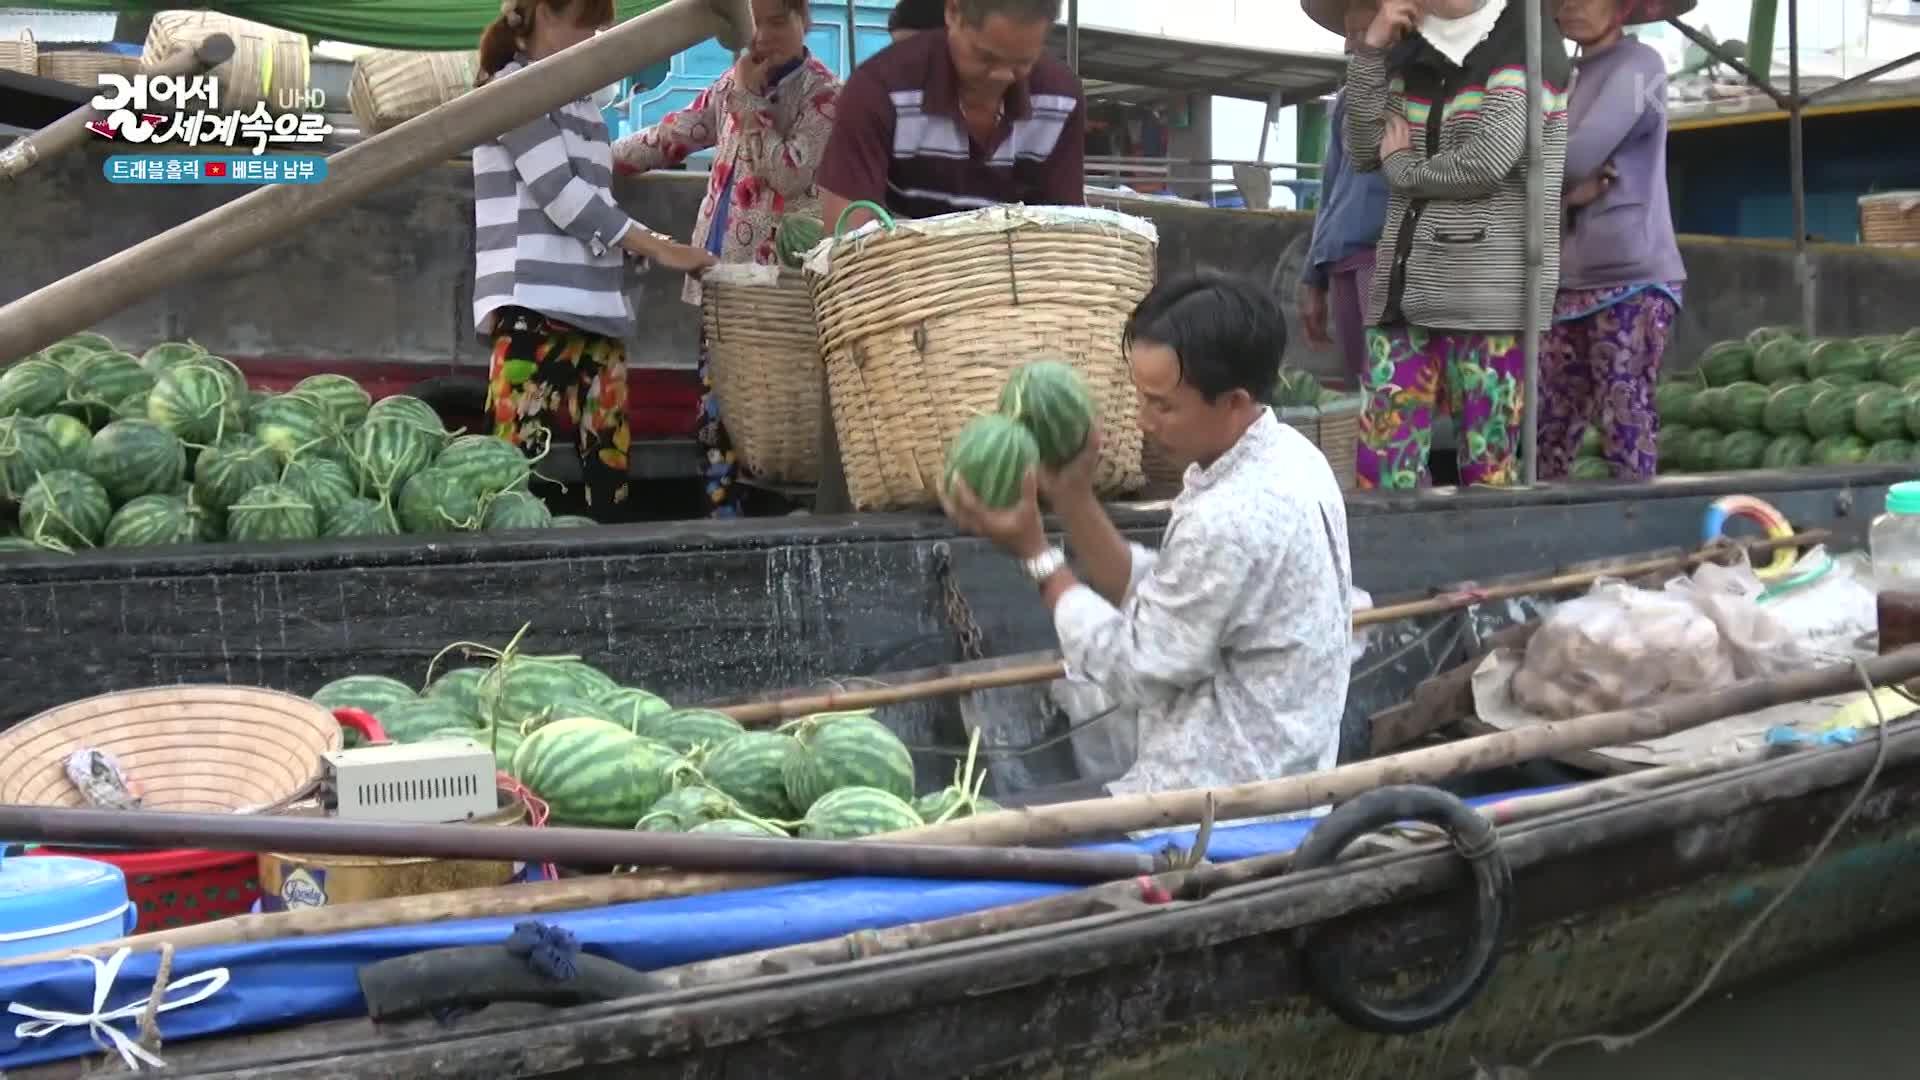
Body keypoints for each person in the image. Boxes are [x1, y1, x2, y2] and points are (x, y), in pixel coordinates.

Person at [939, 272, 1354, 797]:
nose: (1143, 421)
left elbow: (1136, 666)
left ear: (1233, 401)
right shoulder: (1290, 455)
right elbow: (1170, 602)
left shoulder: (1232, 515)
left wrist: (1038, 556)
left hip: (1222, 809)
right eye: (1141, 398)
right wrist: (1072, 497)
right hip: (1283, 776)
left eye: (1163, 405)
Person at [471, 0, 716, 516]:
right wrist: (659, 247)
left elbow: (598, 209)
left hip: (597, 315)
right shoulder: (512, 90)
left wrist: (646, 246)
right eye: (584, 24)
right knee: (512, 483)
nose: (593, 38)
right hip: (531, 313)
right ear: (542, 13)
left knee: (611, 483)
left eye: (598, 27)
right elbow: (562, 197)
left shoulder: (584, 106)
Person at [613, 0, 839, 517]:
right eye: (753, 23)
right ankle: (722, 526)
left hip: (770, 296)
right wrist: (592, 159)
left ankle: (770, 525)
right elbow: (673, 135)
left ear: (804, 19)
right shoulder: (731, 84)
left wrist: (748, 100)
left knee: (767, 415)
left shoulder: (824, 96)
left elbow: (787, 173)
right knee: (714, 417)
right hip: (719, 282)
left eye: (778, 21)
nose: (764, 36)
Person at [1343, 0, 1570, 490]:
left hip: (1489, 302)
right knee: (1383, 466)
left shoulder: (1527, 39)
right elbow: (1363, 152)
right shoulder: (1409, 50)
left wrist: (1404, 169)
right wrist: (1370, 51)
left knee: (1488, 473)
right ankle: (1393, 565)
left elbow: (1489, 159)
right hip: (1402, 292)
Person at [1538, 0, 1686, 481]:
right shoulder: (1563, 76)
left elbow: (1578, 154)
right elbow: (1557, 165)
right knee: (1546, 427)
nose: (1571, 6)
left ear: (1622, 8)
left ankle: (1635, 532)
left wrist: (1536, 176)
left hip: (1633, 277)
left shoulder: (1642, 66)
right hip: (1568, 279)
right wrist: (1563, 192)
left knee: (1625, 421)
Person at [816, 0, 1087, 231]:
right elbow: (850, 240)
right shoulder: (878, 89)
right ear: (953, 12)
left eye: (1022, 62)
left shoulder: (1061, 98)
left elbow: (1065, 229)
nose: (1003, 77)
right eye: (986, 58)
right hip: (899, 279)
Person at [1299, 0, 1389, 388]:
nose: (1350, 45)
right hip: (1342, 257)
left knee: (1387, 385)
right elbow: (1330, 186)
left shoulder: (1418, 85)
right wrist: (1313, 275)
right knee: (1364, 384)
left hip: (1383, 256)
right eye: (1349, 34)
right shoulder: (1348, 99)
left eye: (1359, 32)